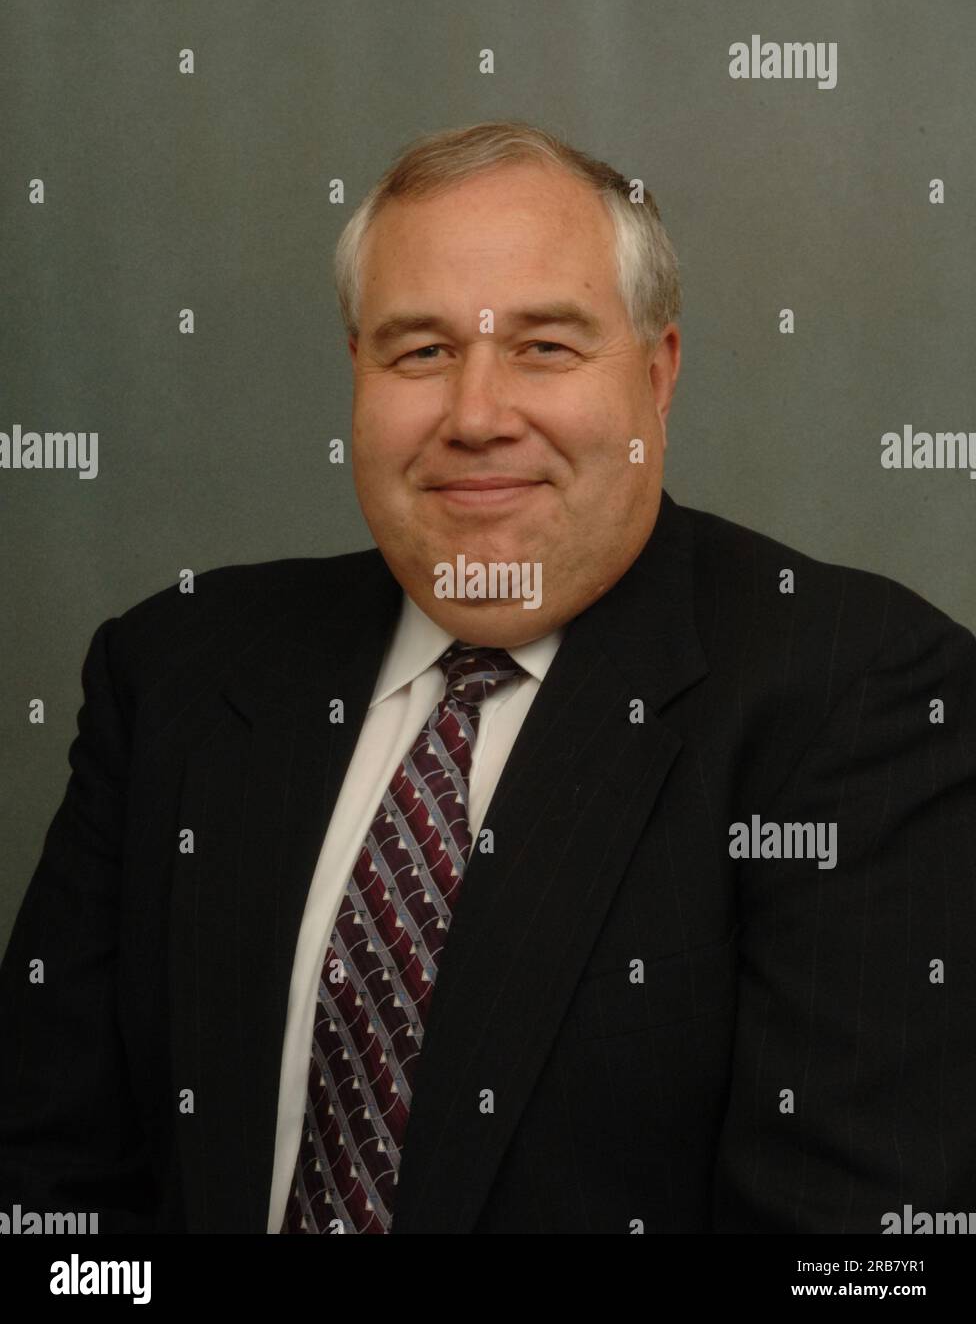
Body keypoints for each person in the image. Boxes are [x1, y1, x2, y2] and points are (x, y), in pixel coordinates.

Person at [1, 120, 974, 1235]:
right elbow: (46, 1187)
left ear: (657, 377)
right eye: (419, 351)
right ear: (357, 376)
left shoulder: (862, 692)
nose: (475, 416)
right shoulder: (175, 666)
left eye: (545, 347)